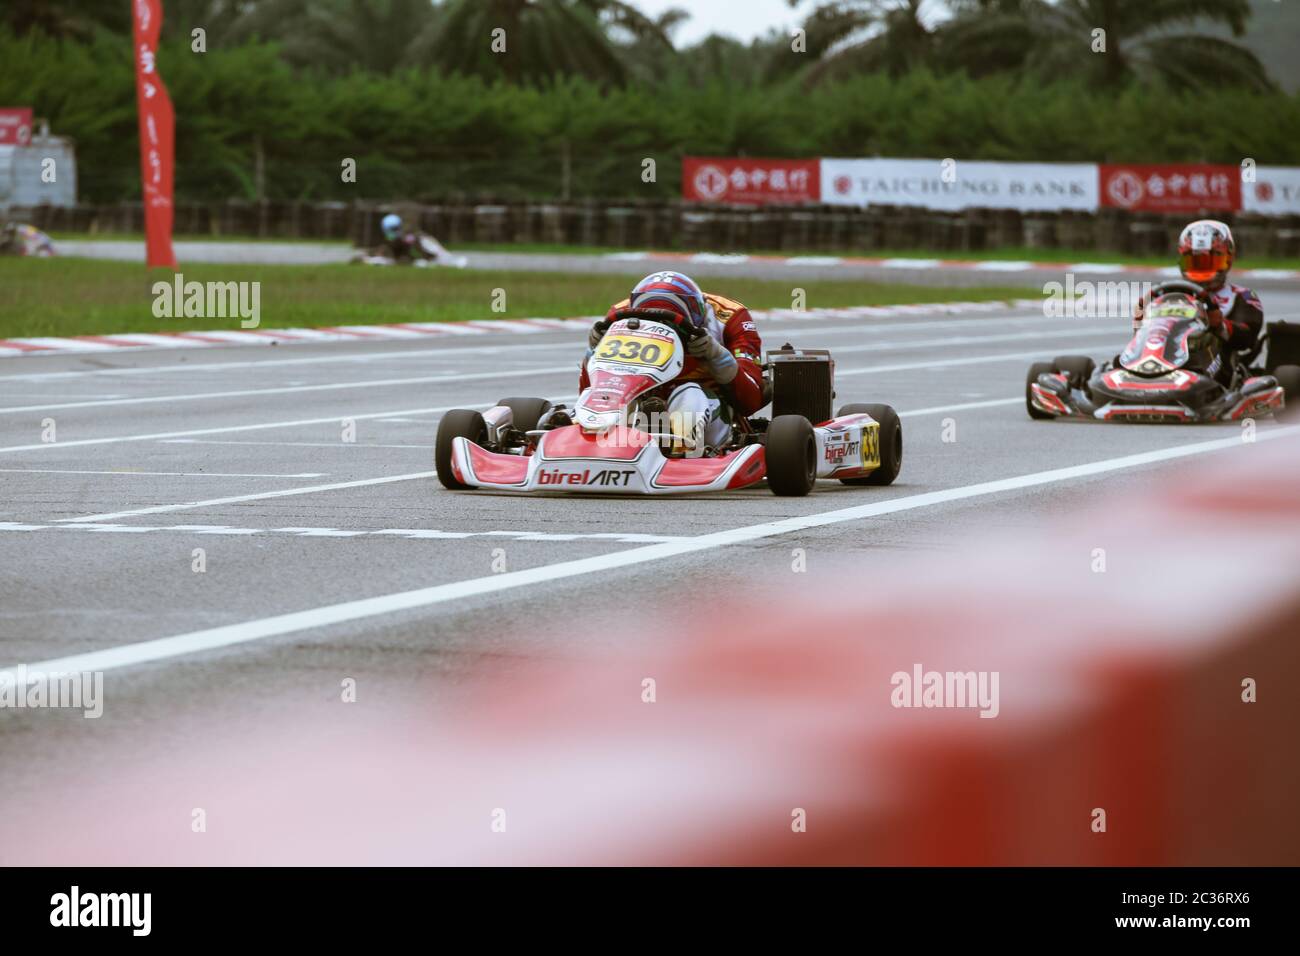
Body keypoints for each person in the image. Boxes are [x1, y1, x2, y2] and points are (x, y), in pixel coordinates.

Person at [578, 271, 764, 451]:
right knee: (607, 396)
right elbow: (589, 388)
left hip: (709, 410)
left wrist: (716, 356)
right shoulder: (620, 314)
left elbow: (751, 401)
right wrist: (592, 352)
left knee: (689, 394)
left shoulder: (731, 318)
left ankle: (679, 448)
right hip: (641, 402)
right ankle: (579, 433)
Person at [1134, 219, 1264, 364]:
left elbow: (1248, 339)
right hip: (1165, 357)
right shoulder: (1165, 292)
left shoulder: (1242, 296)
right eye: (1195, 263)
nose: (1202, 271)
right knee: (1116, 363)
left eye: (1209, 263)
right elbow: (1141, 331)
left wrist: (1220, 326)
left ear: (1228, 259)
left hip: (1216, 364)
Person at [374, 213, 464, 267]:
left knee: (421, 237)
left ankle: (444, 258)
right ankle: (440, 260)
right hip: (400, 259)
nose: (395, 231)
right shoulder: (387, 242)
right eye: (393, 229)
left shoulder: (407, 237)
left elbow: (411, 240)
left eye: (396, 228)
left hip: (408, 256)